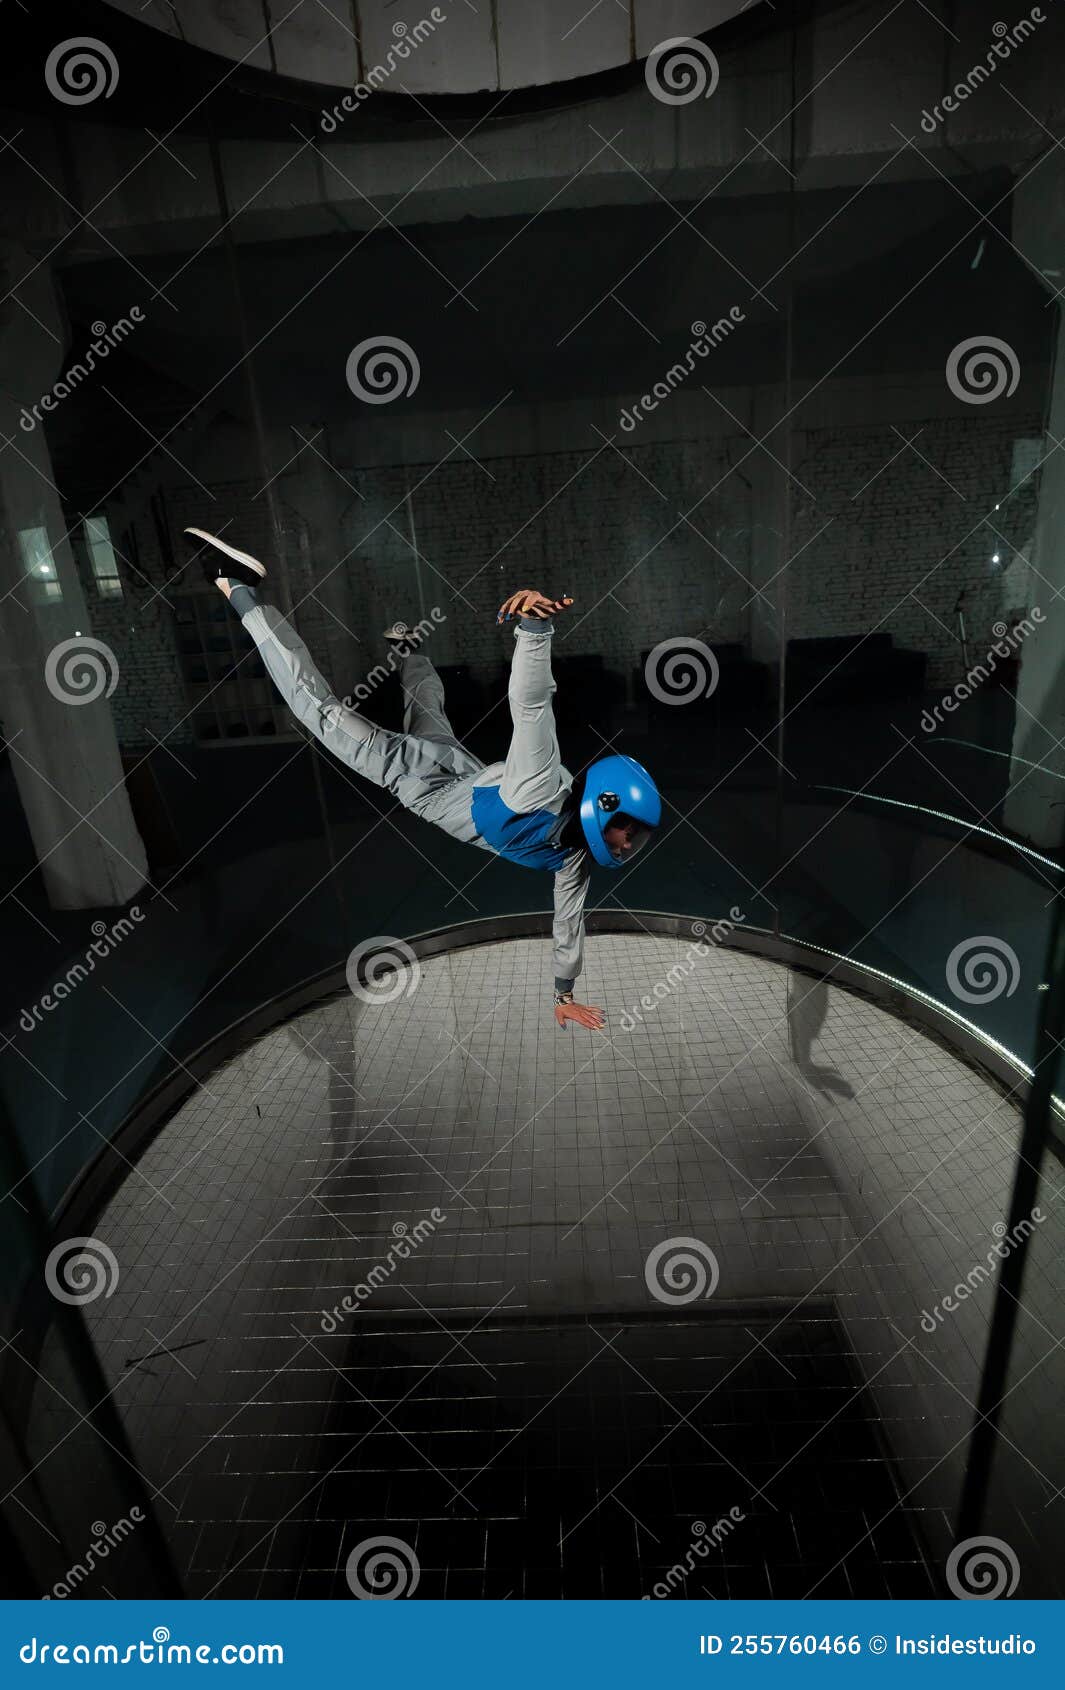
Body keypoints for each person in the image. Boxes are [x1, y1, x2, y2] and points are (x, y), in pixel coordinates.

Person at [185, 528, 662, 1031]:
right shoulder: (542, 787)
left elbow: (568, 925)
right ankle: (238, 587)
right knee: (318, 712)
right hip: (411, 776)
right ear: (602, 807)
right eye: (629, 833)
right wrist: (534, 633)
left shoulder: (574, 862)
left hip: (457, 770)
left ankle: (409, 649)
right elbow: (530, 706)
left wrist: (562, 994)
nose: (630, 846)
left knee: (427, 708)